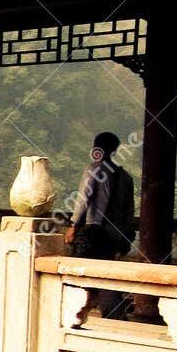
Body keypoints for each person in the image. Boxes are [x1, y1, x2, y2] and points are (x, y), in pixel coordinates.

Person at [65, 132, 136, 317]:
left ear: (96, 148)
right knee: (105, 275)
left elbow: (83, 200)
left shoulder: (93, 170)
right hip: (113, 235)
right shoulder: (126, 177)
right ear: (114, 150)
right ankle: (114, 315)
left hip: (92, 232)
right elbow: (129, 212)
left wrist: (73, 225)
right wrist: (126, 237)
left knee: (78, 274)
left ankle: (74, 312)